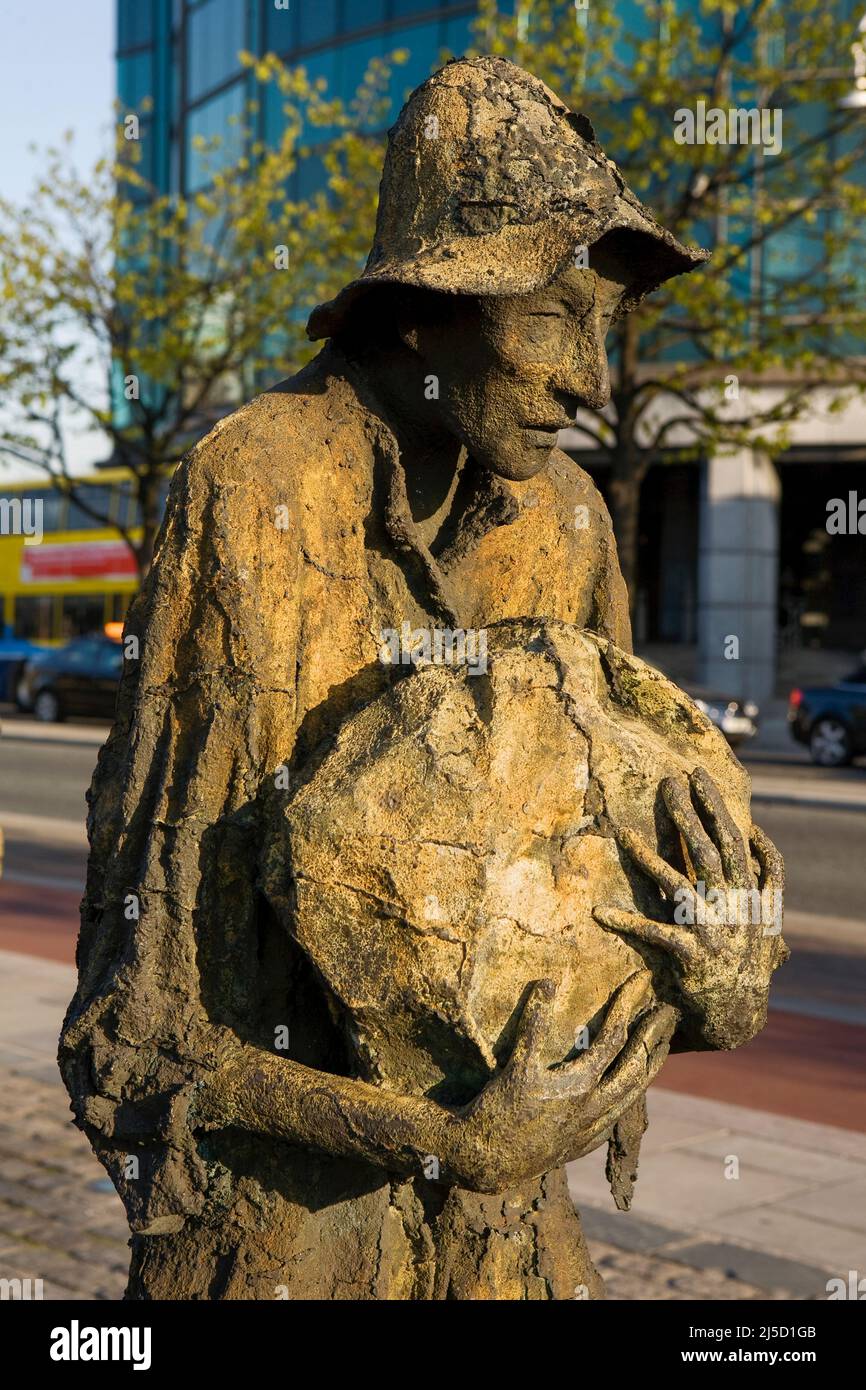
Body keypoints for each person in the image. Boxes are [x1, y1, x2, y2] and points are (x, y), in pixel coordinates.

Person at [60, 57, 770, 1301]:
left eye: (602, 325)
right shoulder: (255, 490)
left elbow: (612, 921)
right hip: (292, 1234)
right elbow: (137, 1029)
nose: (590, 382)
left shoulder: (566, 523)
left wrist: (710, 975)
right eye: (550, 317)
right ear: (423, 310)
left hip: (507, 1242)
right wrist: (434, 1139)